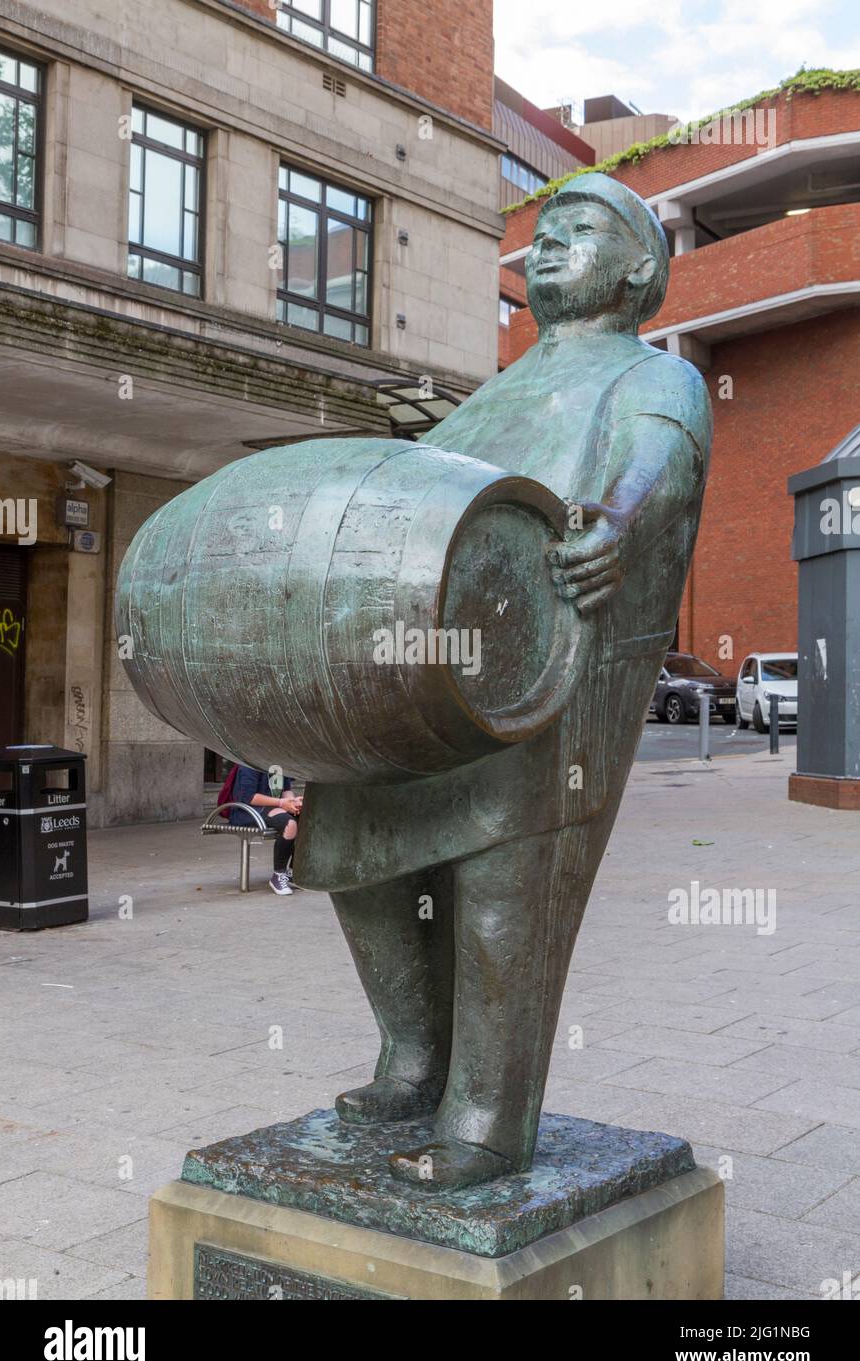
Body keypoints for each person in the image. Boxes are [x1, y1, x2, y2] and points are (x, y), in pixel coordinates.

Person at [294, 172, 712, 1188]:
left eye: (580, 229)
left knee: (500, 894)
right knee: (355, 847)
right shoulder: (492, 391)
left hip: (547, 677)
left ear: (640, 270)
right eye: (541, 232)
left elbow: (660, 462)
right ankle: (414, 1056)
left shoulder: (652, 376)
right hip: (432, 681)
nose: (549, 244)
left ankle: (485, 1117)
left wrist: (611, 520)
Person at [229, 764, 301, 896]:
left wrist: (292, 801)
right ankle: (278, 875)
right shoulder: (249, 763)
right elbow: (249, 797)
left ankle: (293, 871)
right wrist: (281, 803)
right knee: (290, 824)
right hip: (248, 812)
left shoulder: (278, 762)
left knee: (307, 820)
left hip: (273, 807)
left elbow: (286, 790)